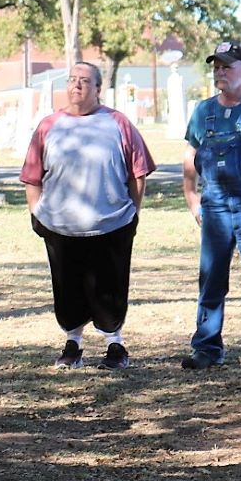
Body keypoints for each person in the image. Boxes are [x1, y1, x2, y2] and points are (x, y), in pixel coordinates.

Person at [22, 61, 156, 370]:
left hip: (110, 224)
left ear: (98, 88)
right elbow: (32, 176)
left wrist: (132, 212)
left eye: (84, 81)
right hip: (60, 225)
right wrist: (37, 213)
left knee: (110, 286)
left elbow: (138, 173)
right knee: (67, 286)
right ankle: (73, 345)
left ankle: (115, 346)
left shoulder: (118, 123)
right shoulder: (49, 125)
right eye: (71, 80)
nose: (76, 86)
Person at [180, 42, 241, 369]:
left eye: (227, 67)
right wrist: (192, 197)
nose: (220, 72)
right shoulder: (202, 111)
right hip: (215, 206)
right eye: (216, 67)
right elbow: (190, 155)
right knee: (210, 279)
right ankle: (206, 348)